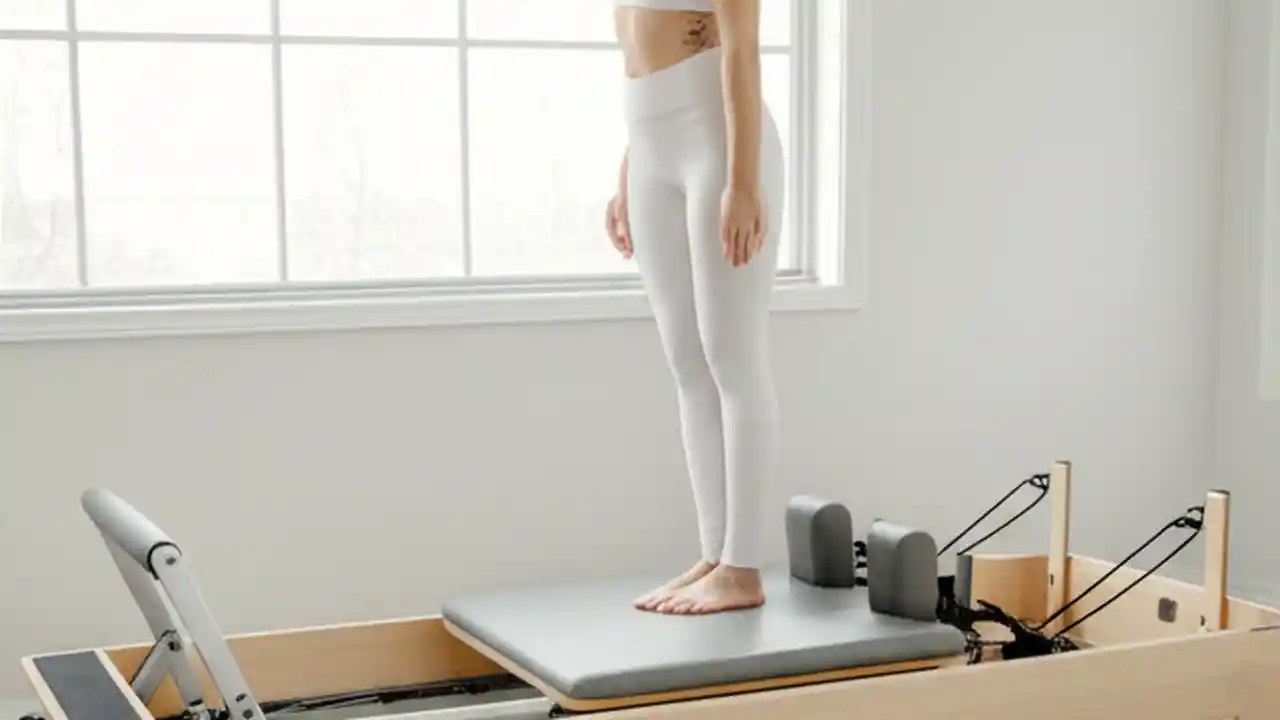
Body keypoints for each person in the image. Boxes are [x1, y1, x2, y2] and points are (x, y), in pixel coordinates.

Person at [607, 0, 783, 615]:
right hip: (651, 145)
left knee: (732, 360)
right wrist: (628, 167)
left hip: (718, 141)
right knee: (688, 366)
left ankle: (743, 568)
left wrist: (743, 183)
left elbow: (740, 50)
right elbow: (638, 47)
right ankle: (715, 551)